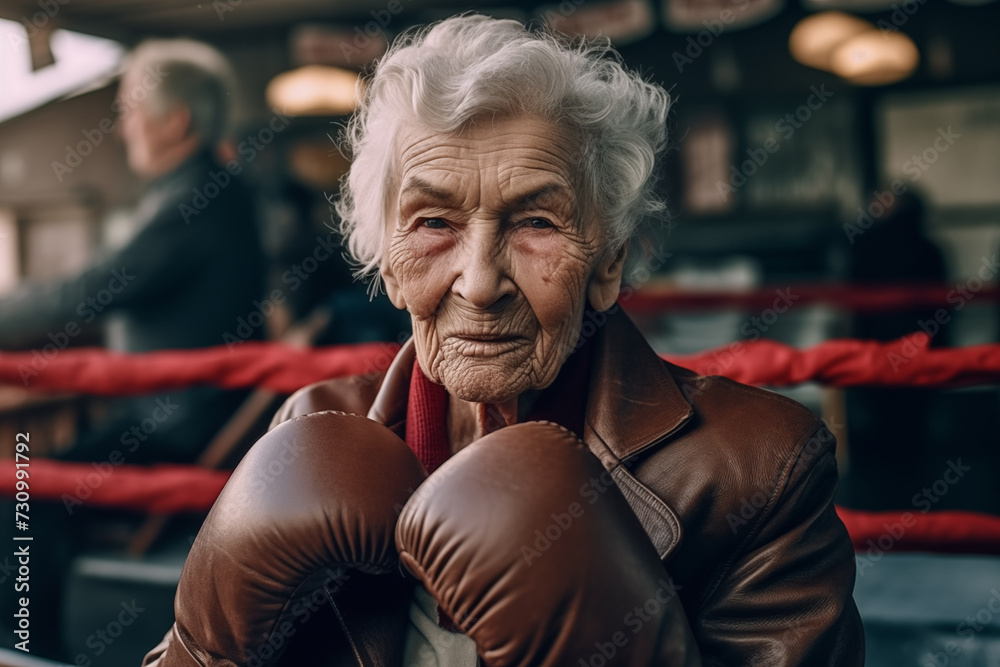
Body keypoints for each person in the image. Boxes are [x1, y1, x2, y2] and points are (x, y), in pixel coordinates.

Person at [143, 15, 864, 666]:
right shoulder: (312, 426)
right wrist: (203, 649)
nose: (480, 281)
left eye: (536, 223)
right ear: (386, 260)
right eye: (433, 223)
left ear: (607, 263)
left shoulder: (759, 471)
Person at [0, 39, 264, 660]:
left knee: (23, 498)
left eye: (129, 110)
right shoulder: (216, 190)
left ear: (175, 121)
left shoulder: (190, 202)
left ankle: (29, 654)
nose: (121, 129)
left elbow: (87, 291)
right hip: (196, 416)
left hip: (173, 426)